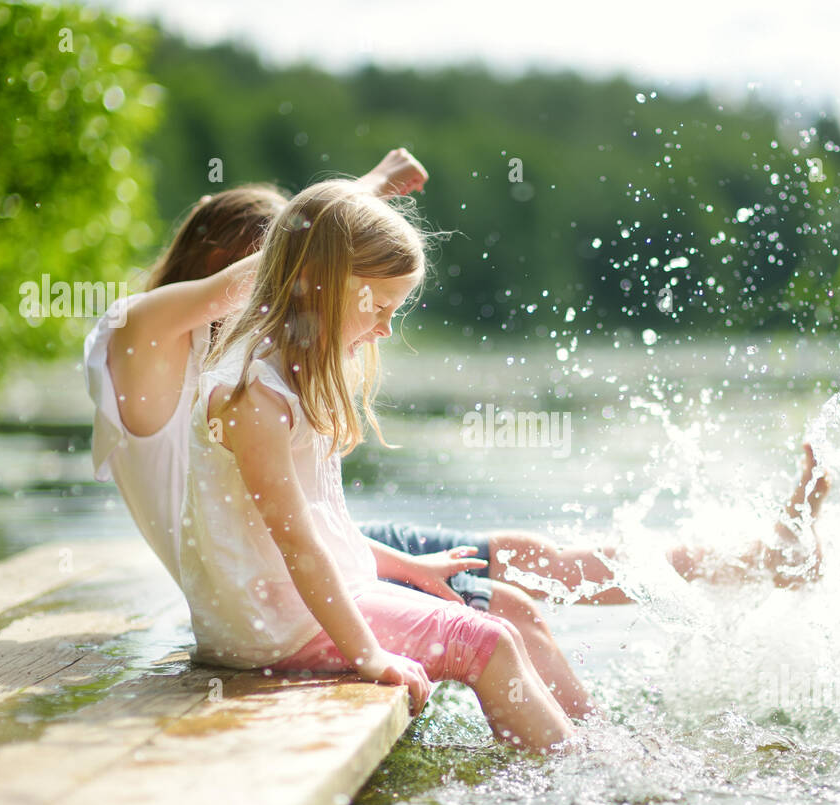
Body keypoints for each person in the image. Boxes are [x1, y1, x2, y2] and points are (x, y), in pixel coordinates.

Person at [84, 150, 595, 717]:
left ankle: (676, 582)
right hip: (267, 587)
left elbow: (304, 523)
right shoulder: (142, 336)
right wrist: (367, 191)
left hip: (317, 551)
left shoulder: (256, 364)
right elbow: (273, 272)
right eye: (280, 246)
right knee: (504, 618)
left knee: (520, 584)